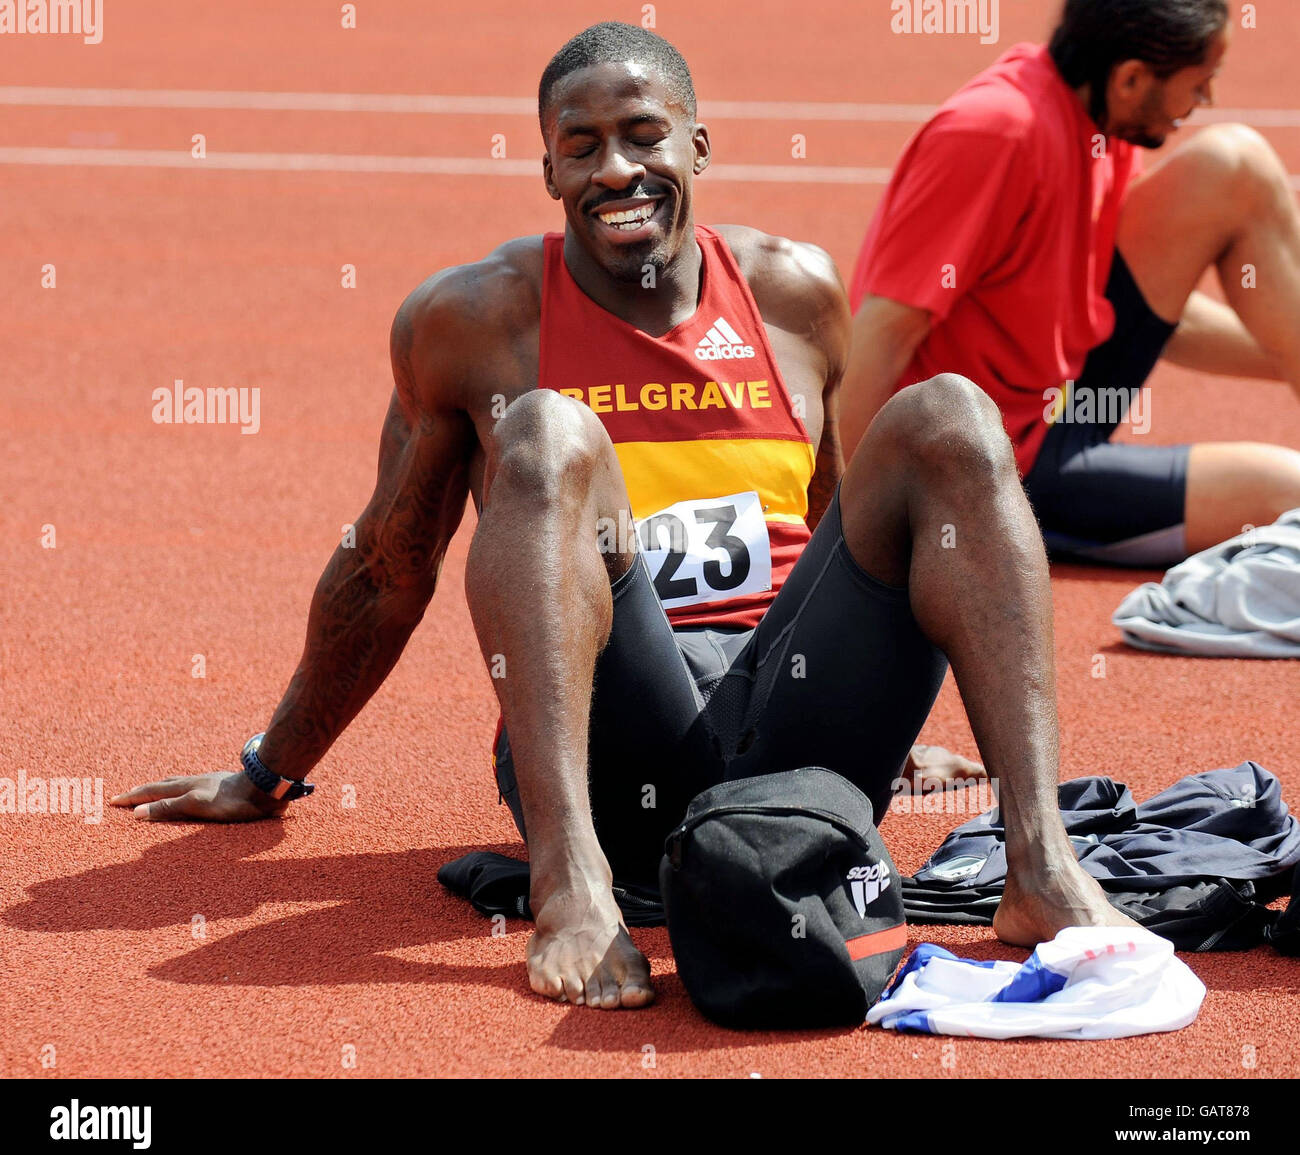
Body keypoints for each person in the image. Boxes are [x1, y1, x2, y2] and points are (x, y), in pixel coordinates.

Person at [113, 22, 1132, 1011]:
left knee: (948, 414)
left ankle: (1036, 858)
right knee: (549, 433)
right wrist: (270, 766)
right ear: (548, 173)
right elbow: (388, 562)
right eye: (581, 147)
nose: (615, 169)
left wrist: (882, 712)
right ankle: (572, 883)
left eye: (643, 135)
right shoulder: (474, 320)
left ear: (697, 143)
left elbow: (839, 531)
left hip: (792, 748)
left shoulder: (793, 293)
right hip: (621, 743)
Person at [844, 0, 1300, 567]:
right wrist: (845, 528)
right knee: (1293, 490)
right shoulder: (997, 132)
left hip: (1066, 402)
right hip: (994, 465)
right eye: (1201, 83)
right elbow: (884, 328)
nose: (1205, 101)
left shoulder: (1104, 122)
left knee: (1230, 169)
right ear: (1131, 78)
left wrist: (1285, 350)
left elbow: (1156, 319)